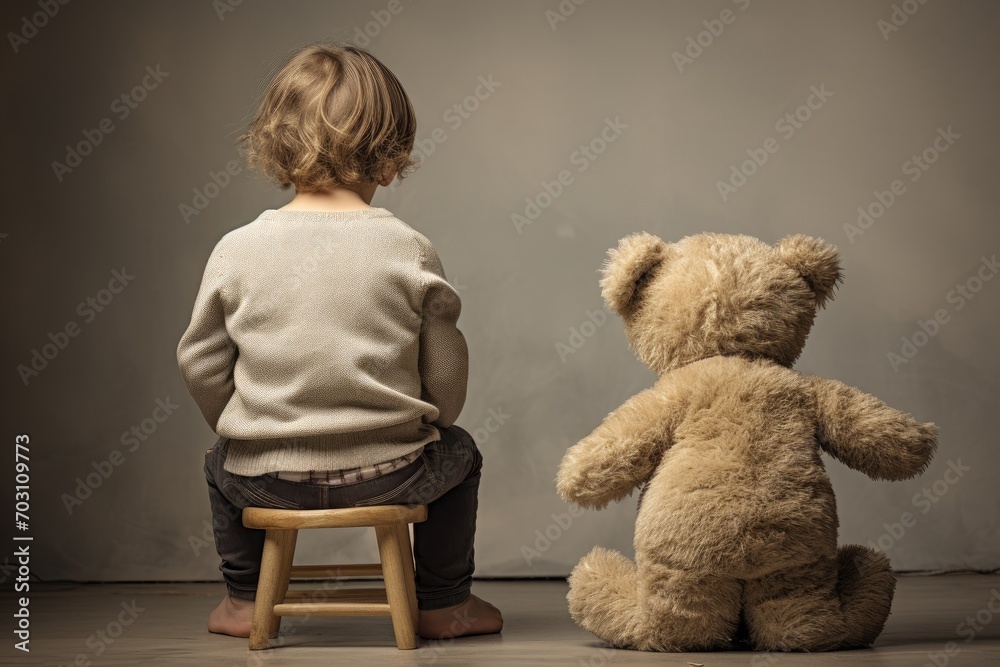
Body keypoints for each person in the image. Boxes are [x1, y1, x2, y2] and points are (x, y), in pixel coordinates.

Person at [176, 43, 502, 641]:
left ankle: (246, 601)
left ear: (274, 142)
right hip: (392, 473)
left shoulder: (236, 248)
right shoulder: (408, 247)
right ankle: (441, 601)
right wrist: (428, 419)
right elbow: (446, 378)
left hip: (267, 477)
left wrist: (246, 423)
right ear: (389, 158)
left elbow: (199, 360)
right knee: (460, 449)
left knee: (219, 462)